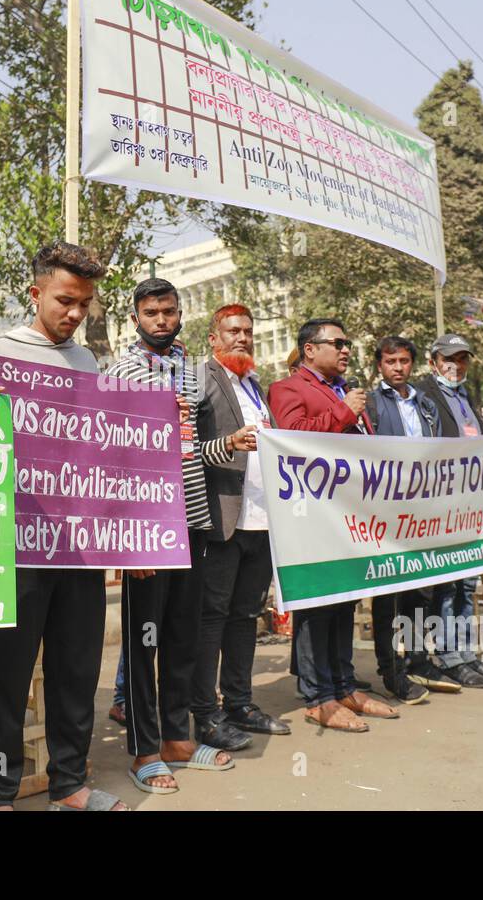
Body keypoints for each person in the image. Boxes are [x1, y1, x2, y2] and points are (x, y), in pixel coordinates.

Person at [0, 242, 127, 812]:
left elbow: (105, 453)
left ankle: (70, 784)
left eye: (84, 304)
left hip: (78, 548)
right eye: (65, 300)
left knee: (77, 670)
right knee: (8, 674)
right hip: (17, 547)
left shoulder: (89, 364)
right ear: (36, 293)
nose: (75, 313)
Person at [105, 277, 233, 794]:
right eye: (151, 312)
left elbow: (195, 451)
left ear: (181, 314)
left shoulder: (194, 374)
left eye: (168, 311)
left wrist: (228, 445)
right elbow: (113, 448)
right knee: (143, 641)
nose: (161, 319)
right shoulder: (121, 370)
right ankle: (142, 750)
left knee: (183, 636)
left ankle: (178, 738)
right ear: (136, 318)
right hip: (146, 523)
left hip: (193, 518)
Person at [268, 320, 400, 732]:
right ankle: (318, 696)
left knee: (346, 600)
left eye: (347, 344)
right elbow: (293, 437)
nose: (345, 350)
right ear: (309, 350)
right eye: (337, 343)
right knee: (317, 606)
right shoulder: (286, 389)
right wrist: (345, 412)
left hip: (349, 516)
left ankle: (344, 685)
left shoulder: (344, 390)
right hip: (312, 517)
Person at [192, 304, 292, 750]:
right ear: (214, 338)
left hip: (260, 520)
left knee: (245, 617)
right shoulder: (200, 379)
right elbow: (188, 447)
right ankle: (204, 714)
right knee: (210, 619)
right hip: (220, 518)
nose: (243, 338)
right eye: (233, 331)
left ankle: (239, 703)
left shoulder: (254, 385)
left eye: (248, 331)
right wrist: (227, 443)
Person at [414, 334, 483, 687]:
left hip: (470, 506)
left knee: (468, 584)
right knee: (447, 584)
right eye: (448, 358)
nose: (455, 365)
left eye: (462, 359)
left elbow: (477, 438)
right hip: (441, 505)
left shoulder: (465, 396)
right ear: (433, 361)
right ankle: (448, 655)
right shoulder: (422, 394)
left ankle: (467, 653)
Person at [362, 336, 440, 701]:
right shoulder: (372, 404)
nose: (398, 367)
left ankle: (419, 659)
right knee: (389, 595)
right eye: (391, 361)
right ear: (380, 364)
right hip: (388, 513)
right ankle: (391, 670)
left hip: (424, 510)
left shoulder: (425, 403)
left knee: (421, 590)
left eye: (404, 361)